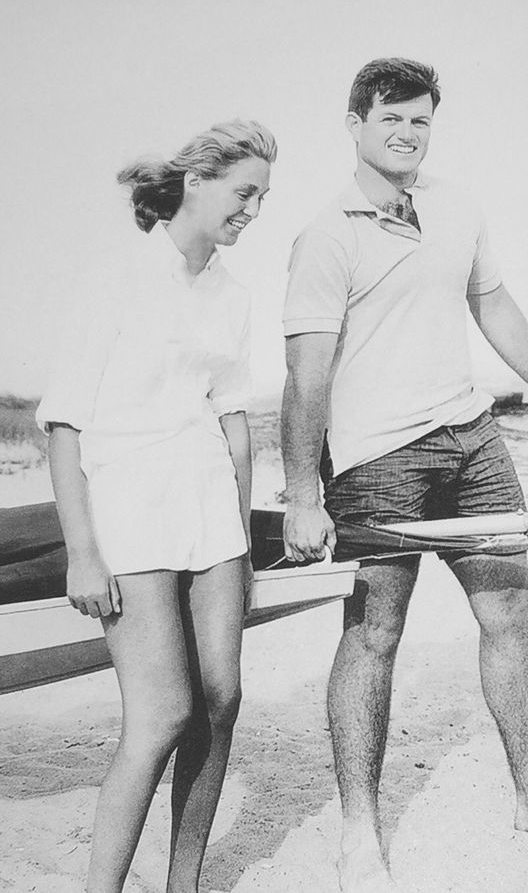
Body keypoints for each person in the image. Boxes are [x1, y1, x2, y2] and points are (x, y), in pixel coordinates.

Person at [280, 58, 528, 892]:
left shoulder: (457, 206)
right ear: (354, 124)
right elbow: (306, 376)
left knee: (513, 615)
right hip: (376, 458)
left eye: (420, 120)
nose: (407, 133)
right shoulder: (327, 235)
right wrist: (303, 495)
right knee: (373, 636)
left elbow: (491, 301)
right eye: (391, 118)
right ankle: (360, 830)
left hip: (473, 439)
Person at [36, 118, 276, 893]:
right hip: (130, 516)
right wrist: (82, 553)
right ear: (195, 182)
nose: (253, 211)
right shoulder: (115, 278)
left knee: (222, 698)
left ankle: (185, 884)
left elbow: (235, 429)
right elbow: (65, 428)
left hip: (212, 518)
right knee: (164, 712)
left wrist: (244, 550)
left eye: (263, 198)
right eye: (244, 193)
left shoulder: (232, 296)